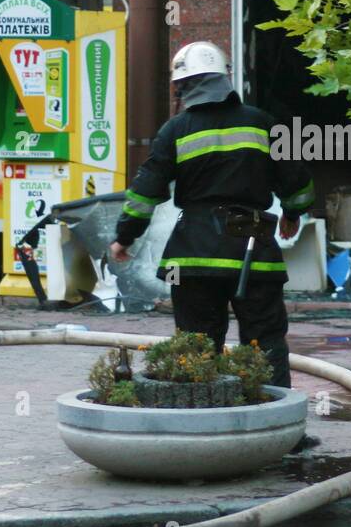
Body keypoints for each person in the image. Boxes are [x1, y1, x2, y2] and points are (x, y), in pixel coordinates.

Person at [108, 41, 315, 396]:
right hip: (254, 250)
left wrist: (125, 236)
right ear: (226, 79)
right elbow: (299, 182)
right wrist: (293, 213)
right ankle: (277, 428)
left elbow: (145, 192)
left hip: (193, 255)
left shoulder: (174, 130)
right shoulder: (262, 123)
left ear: (181, 88)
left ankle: (204, 425)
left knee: (196, 346)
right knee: (265, 342)